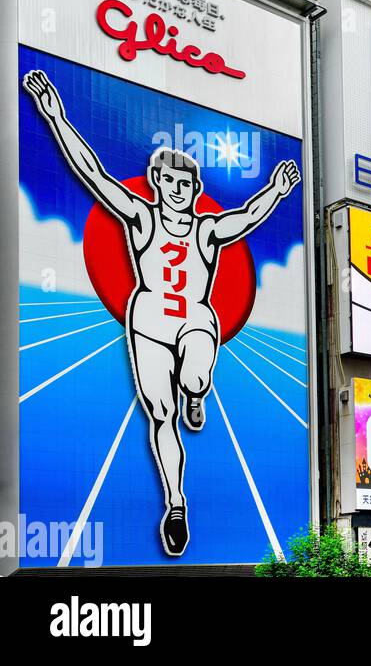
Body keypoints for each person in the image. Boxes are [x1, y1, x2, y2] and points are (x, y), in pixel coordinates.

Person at [23, 70, 301, 556]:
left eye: (185, 182)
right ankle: (176, 503)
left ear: (195, 188)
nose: (177, 189)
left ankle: (198, 389)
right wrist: (56, 116)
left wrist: (276, 191)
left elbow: (247, 218)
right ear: (157, 182)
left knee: (193, 377)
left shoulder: (207, 230)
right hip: (149, 318)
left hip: (194, 316)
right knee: (161, 414)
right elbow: (93, 174)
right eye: (169, 180)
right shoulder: (140, 215)